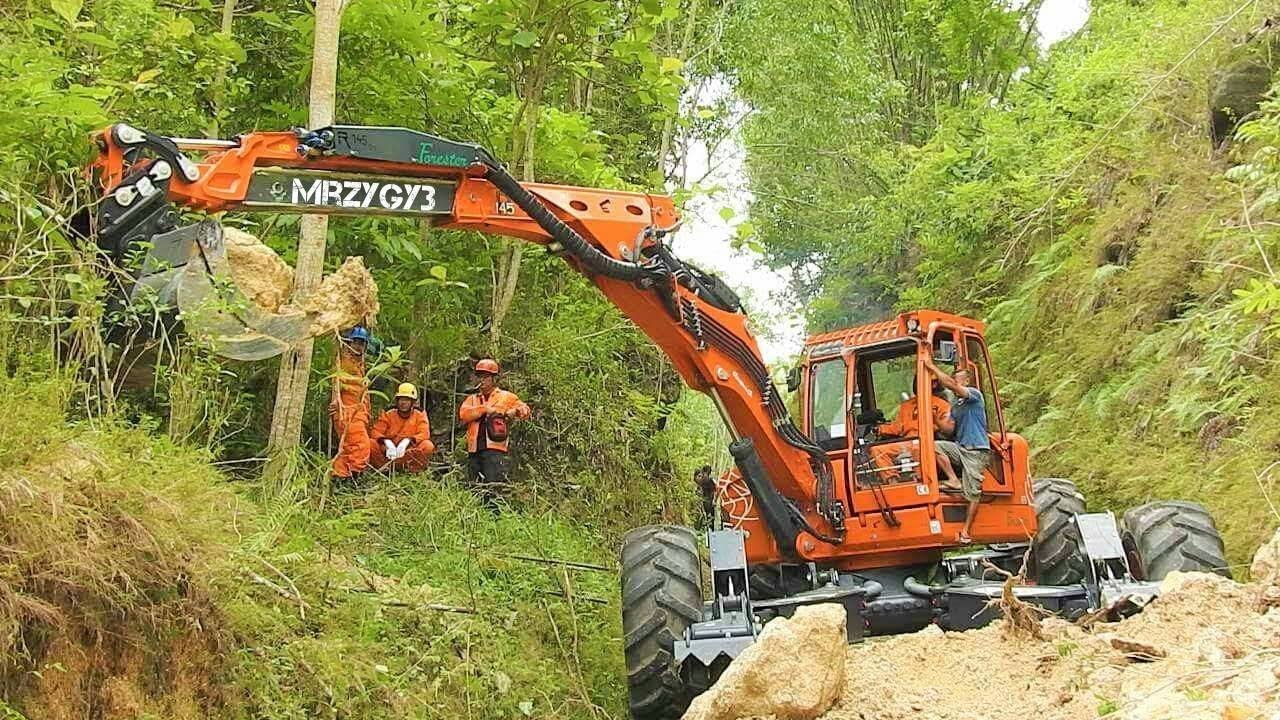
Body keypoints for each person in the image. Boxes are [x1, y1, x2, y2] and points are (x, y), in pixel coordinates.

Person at [919, 341, 991, 544]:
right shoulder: (957, 406)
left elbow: (952, 386)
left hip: (976, 450)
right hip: (960, 448)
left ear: (967, 380)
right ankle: (952, 479)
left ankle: (967, 531)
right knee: (933, 446)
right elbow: (950, 428)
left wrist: (931, 366)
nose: (954, 380)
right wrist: (931, 421)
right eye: (955, 378)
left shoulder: (975, 397)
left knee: (973, 492)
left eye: (959, 378)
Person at [458, 359, 530, 510]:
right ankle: (476, 518)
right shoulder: (472, 399)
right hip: (474, 449)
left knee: (493, 486)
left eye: (485, 377)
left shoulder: (505, 397)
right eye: (479, 377)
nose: (482, 381)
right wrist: (484, 409)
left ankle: (494, 520)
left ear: (494, 379)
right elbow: (464, 415)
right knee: (475, 487)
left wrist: (514, 411)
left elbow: (525, 410)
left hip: (495, 450)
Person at [868, 380, 954, 481]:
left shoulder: (942, 405)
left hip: (927, 441)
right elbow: (898, 427)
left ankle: (922, 480)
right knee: (877, 450)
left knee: (917, 448)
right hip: (907, 441)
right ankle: (892, 481)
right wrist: (879, 429)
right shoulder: (907, 405)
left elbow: (946, 427)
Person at [330, 326, 373, 481]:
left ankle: (339, 477)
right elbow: (336, 383)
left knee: (350, 449)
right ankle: (351, 480)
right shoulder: (343, 362)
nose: (358, 346)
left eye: (362, 343)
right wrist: (336, 401)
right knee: (360, 446)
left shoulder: (359, 364)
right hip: (347, 413)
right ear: (349, 342)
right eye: (356, 342)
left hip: (359, 414)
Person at [370, 382, 435, 473]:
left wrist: (408, 441)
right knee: (370, 443)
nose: (403, 403)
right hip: (388, 454)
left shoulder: (419, 414)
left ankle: (413, 472)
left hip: (408, 453)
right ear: (397, 400)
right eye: (401, 399)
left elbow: (424, 433)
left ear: (412, 402)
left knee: (427, 446)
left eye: (407, 400)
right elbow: (375, 432)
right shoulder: (388, 413)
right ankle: (384, 470)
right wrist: (386, 442)